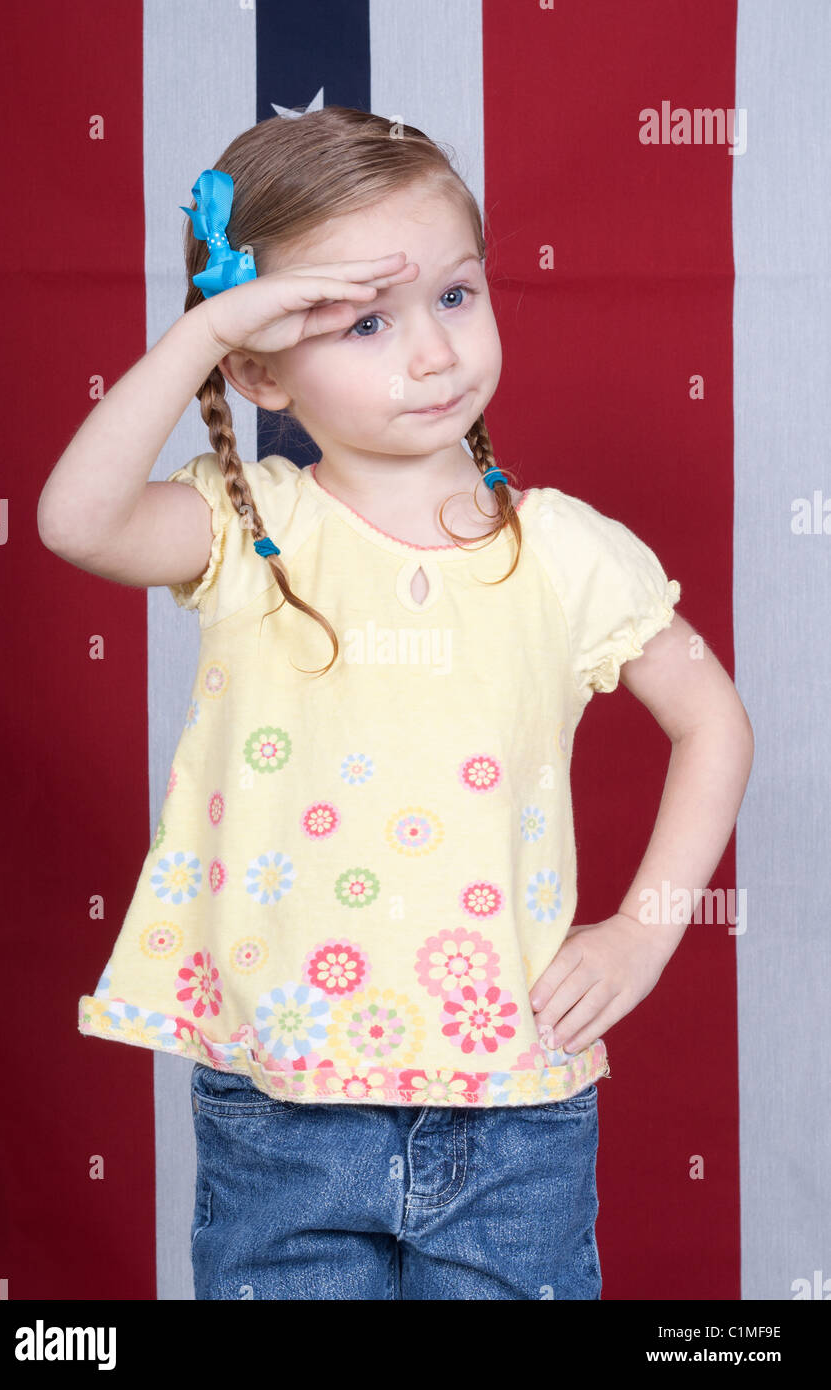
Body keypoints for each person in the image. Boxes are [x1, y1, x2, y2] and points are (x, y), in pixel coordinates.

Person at [37, 107, 754, 1301]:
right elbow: (74, 520)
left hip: (513, 1112)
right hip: (283, 1109)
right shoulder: (246, 525)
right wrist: (204, 330)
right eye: (366, 321)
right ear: (261, 364)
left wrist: (644, 924)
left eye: (454, 296)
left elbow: (711, 721)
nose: (430, 353)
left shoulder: (570, 552)